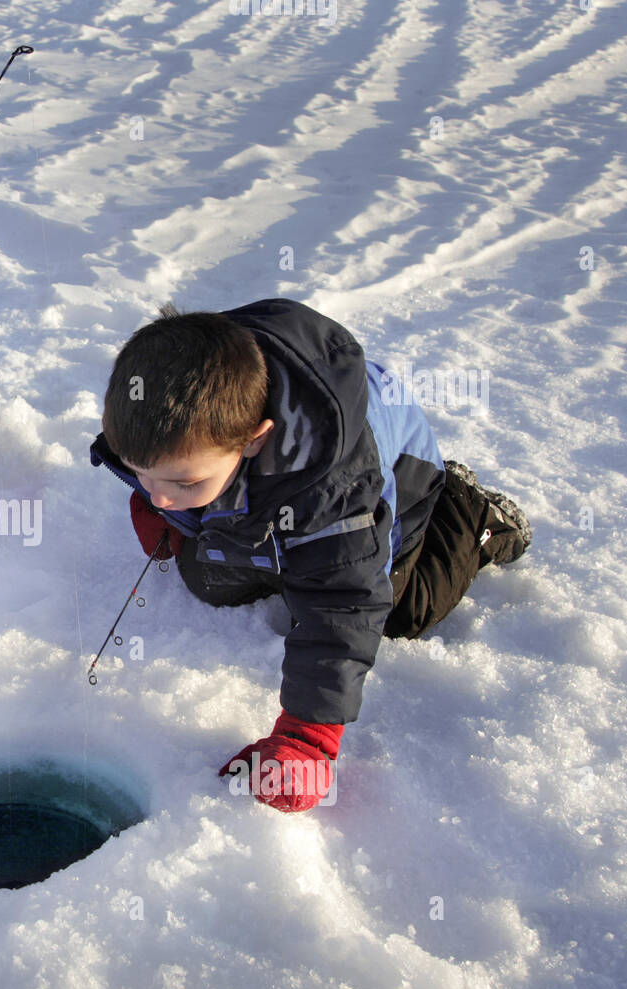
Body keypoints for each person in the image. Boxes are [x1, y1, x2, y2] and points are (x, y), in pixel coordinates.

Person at [90, 299, 532, 812]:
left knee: (398, 611)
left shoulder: (336, 493)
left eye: (182, 482)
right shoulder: (171, 412)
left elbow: (343, 608)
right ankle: (263, 535)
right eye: (141, 472)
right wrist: (166, 506)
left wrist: (307, 740)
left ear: (254, 441)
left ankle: (472, 514)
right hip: (273, 503)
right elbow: (161, 472)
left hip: (401, 492)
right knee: (206, 577)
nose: (159, 494)